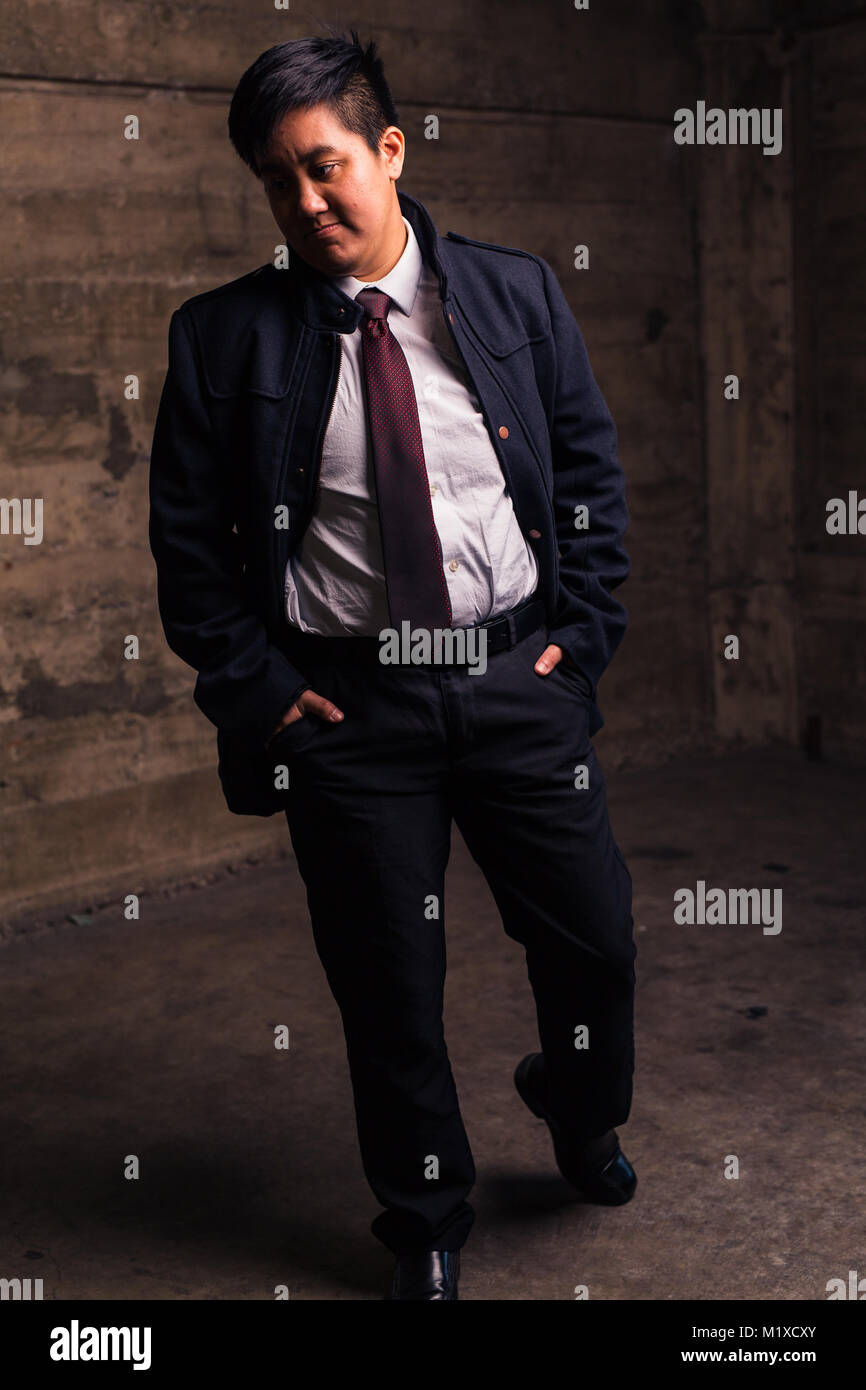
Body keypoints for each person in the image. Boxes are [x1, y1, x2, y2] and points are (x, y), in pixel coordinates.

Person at [149, 28, 637, 1301]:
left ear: (389, 149)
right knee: (386, 979)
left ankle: (579, 1105)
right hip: (347, 705)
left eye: (323, 168)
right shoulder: (220, 340)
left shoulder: (517, 294)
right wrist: (261, 696)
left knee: (592, 940)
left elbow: (587, 484)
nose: (304, 202)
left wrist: (574, 648)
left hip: (511, 679)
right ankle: (424, 1217)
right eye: (275, 180)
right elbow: (192, 553)